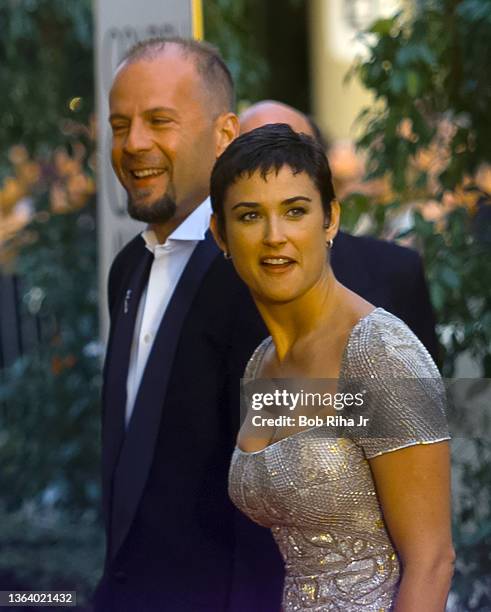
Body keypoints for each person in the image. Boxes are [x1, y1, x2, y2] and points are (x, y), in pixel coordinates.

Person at [209, 124, 455, 611]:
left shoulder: (379, 353)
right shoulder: (262, 362)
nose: (274, 236)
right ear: (221, 234)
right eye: (250, 215)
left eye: (295, 211)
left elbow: (433, 562)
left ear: (330, 220)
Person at [94, 37, 283, 612]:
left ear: (225, 135)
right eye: (120, 124)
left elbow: (282, 496)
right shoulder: (127, 270)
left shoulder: (262, 274)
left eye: (159, 121)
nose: (134, 144)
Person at [239, 100, 440, 362]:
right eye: (250, 157)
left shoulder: (395, 273)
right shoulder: (207, 282)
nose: (270, 174)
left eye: (291, 156)